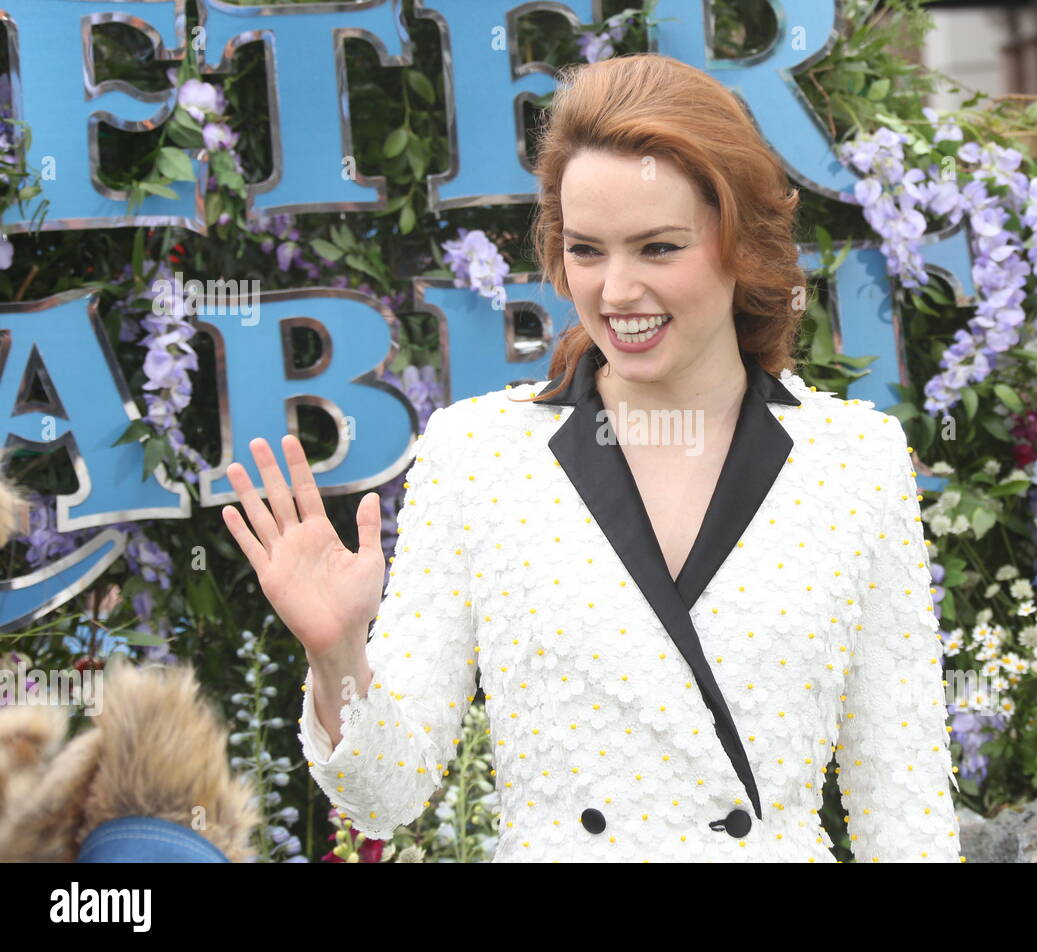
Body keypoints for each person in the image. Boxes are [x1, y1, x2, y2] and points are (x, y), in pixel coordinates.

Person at [221, 53, 962, 863]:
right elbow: (386, 796)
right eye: (586, 250)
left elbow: (905, 805)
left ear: (741, 244)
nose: (615, 291)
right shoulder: (479, 455)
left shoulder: (854, 459)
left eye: (658, 249)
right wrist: (336, 657)